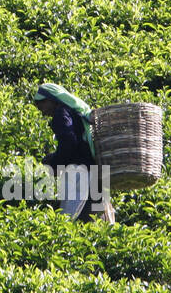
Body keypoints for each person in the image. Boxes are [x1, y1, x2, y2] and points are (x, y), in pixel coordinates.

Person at [33, 82, 115, 223]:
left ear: (51, 100)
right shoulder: (75, 113)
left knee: (69, 222)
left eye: (41, 105)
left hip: (79, 173)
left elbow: (68, 142)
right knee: (95, 222)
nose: (42, 111)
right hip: (94, 171)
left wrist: (53, 161)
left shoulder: (61, 114)